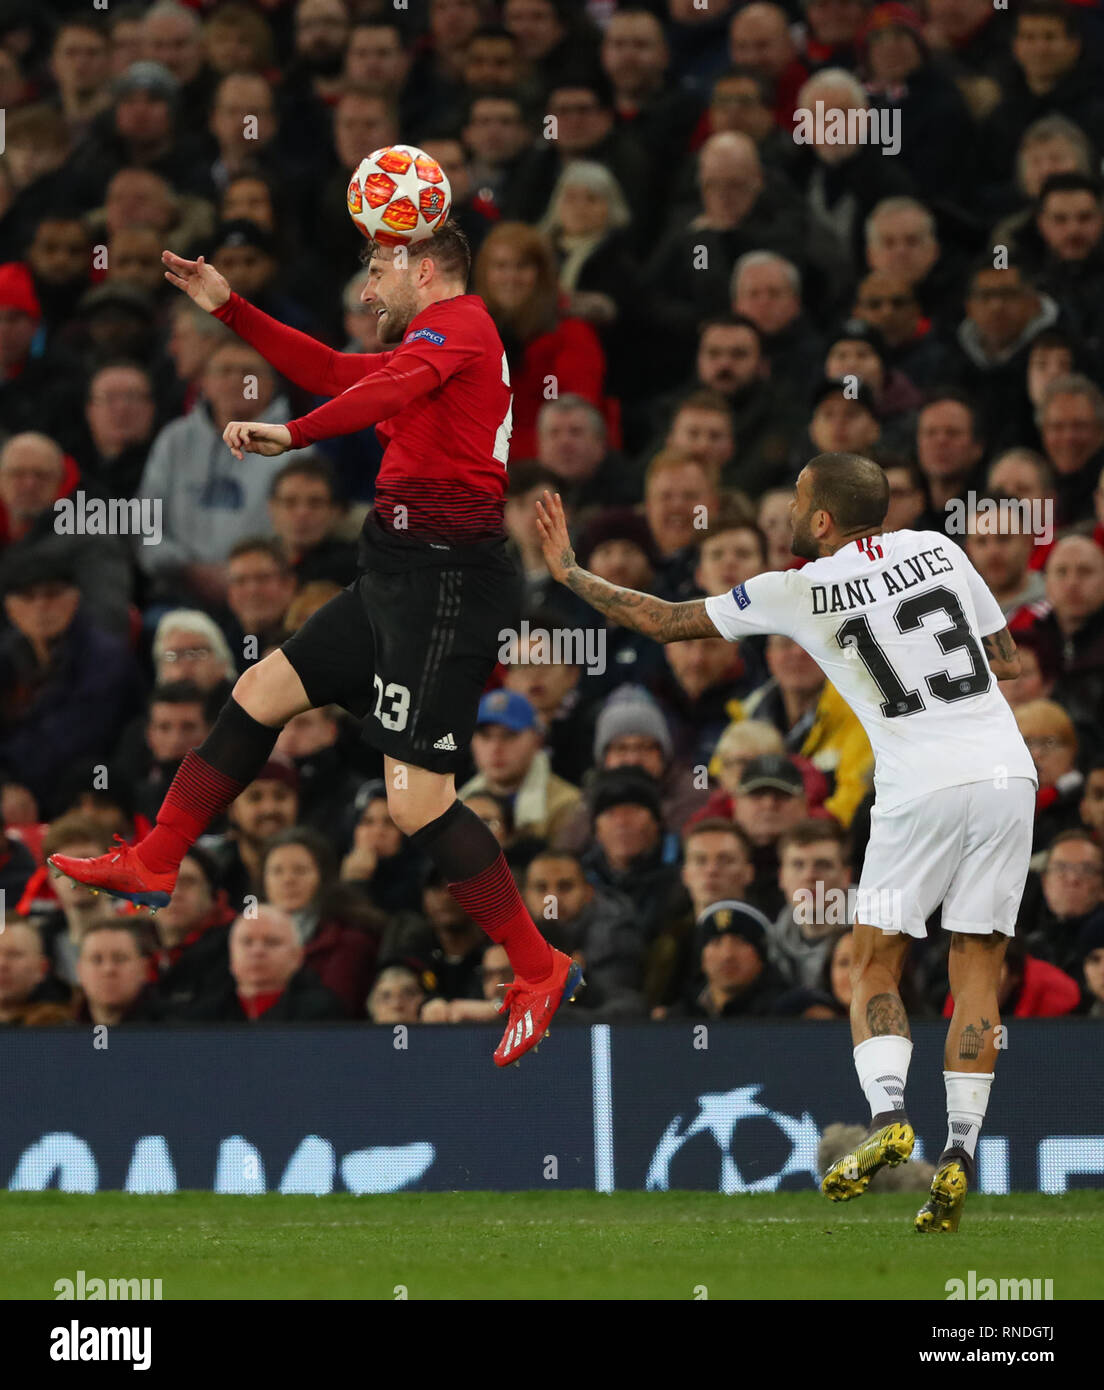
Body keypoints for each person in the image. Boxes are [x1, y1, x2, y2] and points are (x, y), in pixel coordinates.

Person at [49, 220, 583, 1069]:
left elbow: (362, 399)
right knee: (261, 691)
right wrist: (232, 309)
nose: (370, 289)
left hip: (446, 583)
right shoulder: (441, 343)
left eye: (378, 270)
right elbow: (336, 373)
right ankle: (155, 859)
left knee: (415, 802)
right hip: (398, 572)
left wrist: (289, 437)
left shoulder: (463, 325)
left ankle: (538, 964)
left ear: (424, 267)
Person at [536, 448, 1037, 1232]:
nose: (789, 516)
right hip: (1010, 775)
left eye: (798, 502)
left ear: (825, 520)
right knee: (978, 967)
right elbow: (1005, 662)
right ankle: (961, 1155)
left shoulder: (796, 590)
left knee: (875, 960)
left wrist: (569, 573)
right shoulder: (941, 549)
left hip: (919, 786)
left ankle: (886, 1120)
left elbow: (665, 621)